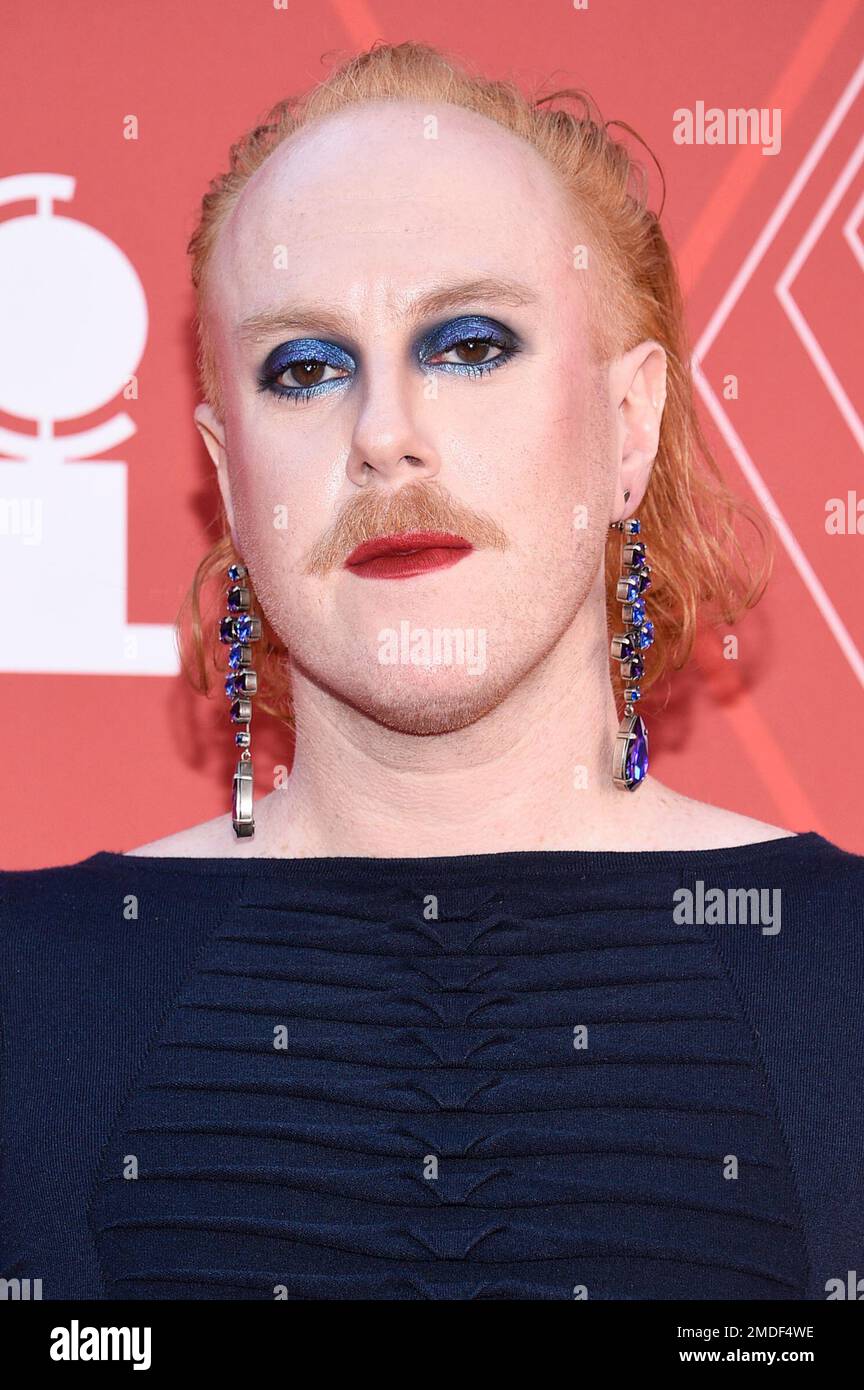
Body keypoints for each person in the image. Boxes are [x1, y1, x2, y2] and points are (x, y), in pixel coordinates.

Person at [1, 41, 861, 1302]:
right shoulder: (26, 996)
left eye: (469, 343)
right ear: (229, 478)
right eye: (305, 367)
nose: (385, 434)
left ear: (630, 425)